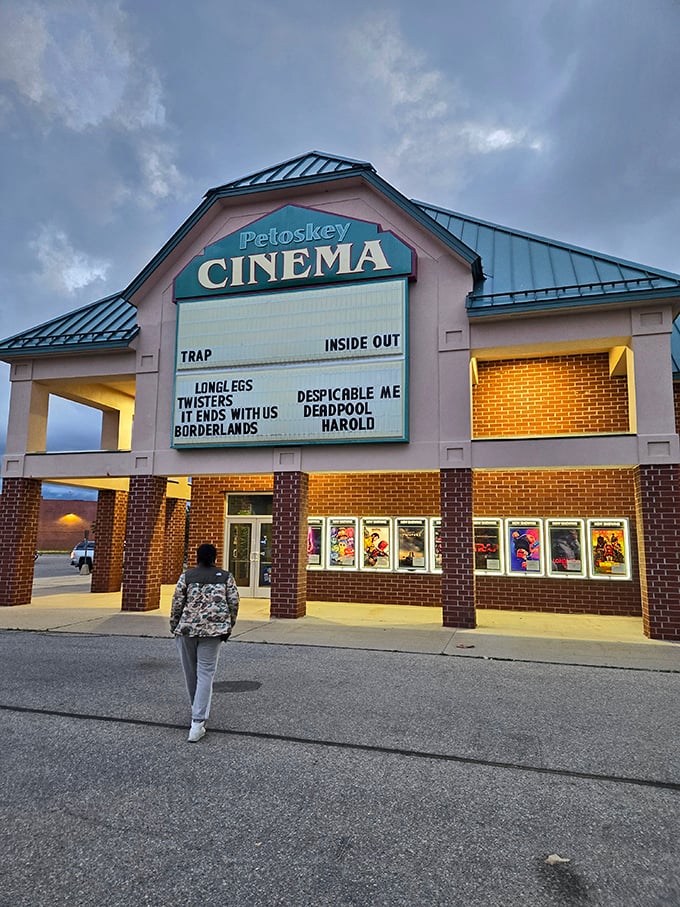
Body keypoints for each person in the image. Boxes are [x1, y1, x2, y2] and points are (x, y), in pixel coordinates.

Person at [170, 543, 240, 742]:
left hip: (186, 630)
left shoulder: (187, 576)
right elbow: (234, 603)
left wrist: (174, 625)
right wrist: (228, 626)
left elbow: (177, 603)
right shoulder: (225, 577)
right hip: (213, 632)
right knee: (206, 673)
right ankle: (197, 721)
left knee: (190, 673)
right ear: (215, 558)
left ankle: (197, 712)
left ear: (197, 557)